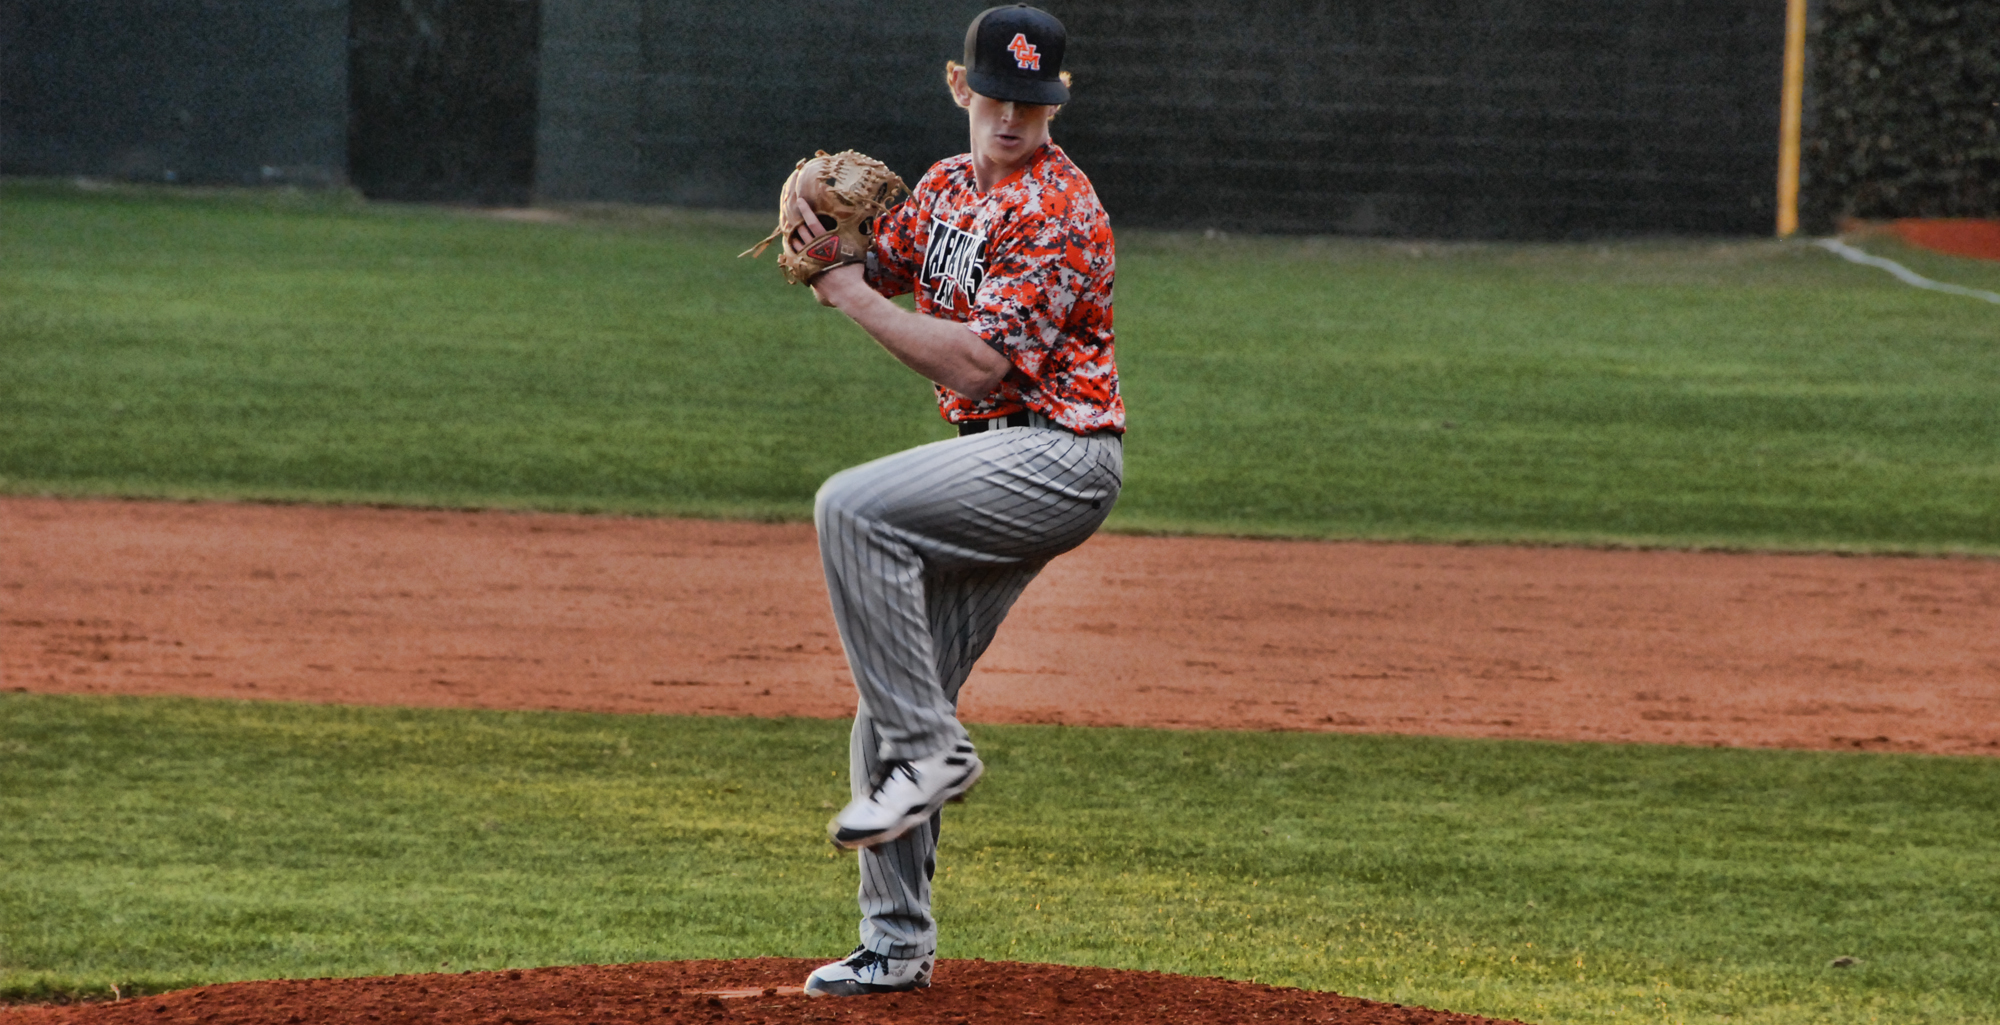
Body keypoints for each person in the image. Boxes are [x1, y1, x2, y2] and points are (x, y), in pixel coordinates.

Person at [784, 3, 1125, 999]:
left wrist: (849, 293)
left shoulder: (1058, 207)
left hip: (1060, 460)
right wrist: (817, 234)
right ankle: (894, 943)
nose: (1012, 118)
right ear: (957, 86)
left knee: (851, 508)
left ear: (1055, 102)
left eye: (1033, 101)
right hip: (991, 467)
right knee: (882, 714)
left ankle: (936, 750)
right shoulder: (939, 188)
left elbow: (979, 364)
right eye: (995, 96)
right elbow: (853, 268)